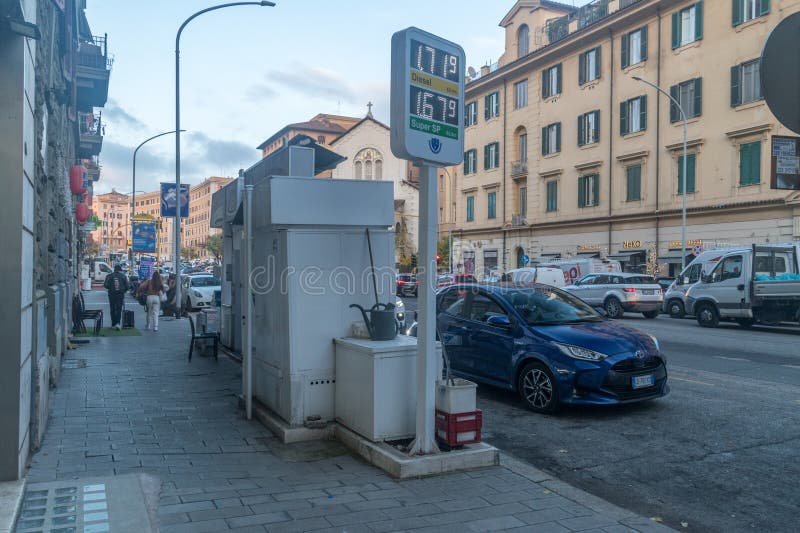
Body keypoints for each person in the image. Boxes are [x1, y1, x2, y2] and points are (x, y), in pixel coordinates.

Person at [103, 265, 128, 330]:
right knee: (119, 309)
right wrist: (123, 291)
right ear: (120, 270)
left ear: (114, 269)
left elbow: (105, 285)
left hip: (112, 295)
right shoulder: (123, 276)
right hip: (120, 295)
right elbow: (127, 287)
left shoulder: (109, 276)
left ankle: (113, 324)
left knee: (112, 309)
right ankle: (118, 324)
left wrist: (110, 287)